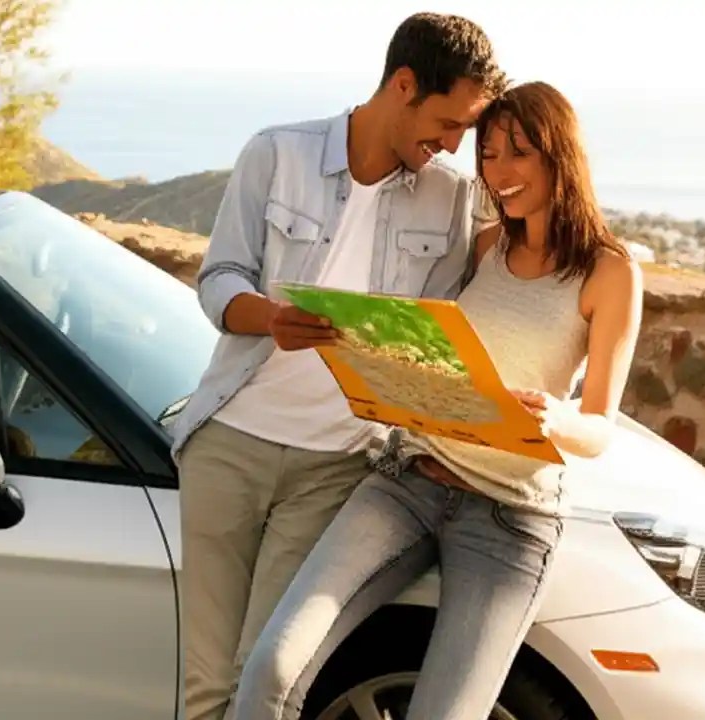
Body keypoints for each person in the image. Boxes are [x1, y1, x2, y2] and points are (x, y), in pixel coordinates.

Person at [224, 80, 645, 720]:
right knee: (272, 669)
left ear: (560, 155)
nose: (499, 172)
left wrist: (558, 418)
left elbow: (600, 429)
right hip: (408, 482)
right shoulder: (486, 246)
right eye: (489, 155)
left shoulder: (610, 272)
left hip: (511, 519)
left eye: (519, 153)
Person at [167, 13, 508, 720]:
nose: (454, 145)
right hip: (228, 446)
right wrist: (270, 318)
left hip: (335, 465)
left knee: (261, 676)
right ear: (404, 85)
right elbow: (219, 277)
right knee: (206, 685)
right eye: (448, 123)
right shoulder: (276, 153)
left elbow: (447, 329)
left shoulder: (452, 198)